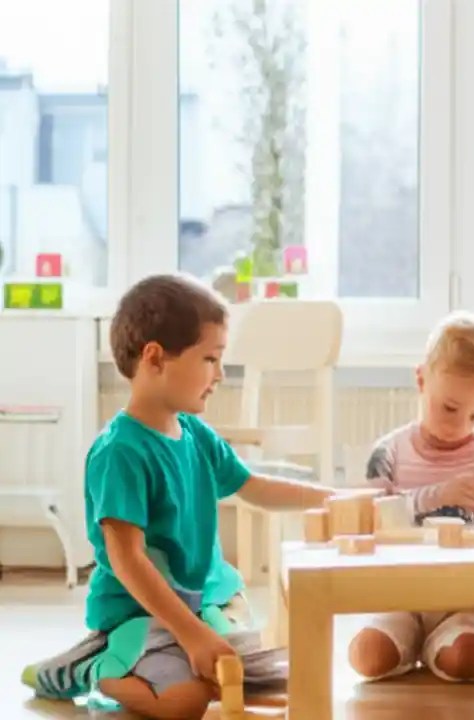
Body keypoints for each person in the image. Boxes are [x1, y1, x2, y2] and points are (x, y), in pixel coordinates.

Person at [22, 274, 340, 719]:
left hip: (200, 607)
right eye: (210, 358)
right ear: (155, 358)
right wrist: (190, 635)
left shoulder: (194, 434)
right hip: (141, 616)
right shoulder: (120, 452)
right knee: (184, 703)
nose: (220, 375)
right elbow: (128, 560)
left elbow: (254, 485)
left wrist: (332, 498)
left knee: (288, 673)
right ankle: (94, 666)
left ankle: (182, 652)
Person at [347, 312, 474, 684]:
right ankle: (414, 640)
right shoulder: (388, 453)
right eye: (450, 408)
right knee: (367, 656)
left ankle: (444, 643)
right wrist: (435, 496)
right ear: (421, 379)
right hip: (401, 594)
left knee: (469, 657)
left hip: (471, 597)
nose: (460, 425)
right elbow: (367, 518)